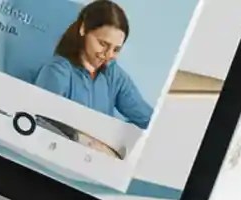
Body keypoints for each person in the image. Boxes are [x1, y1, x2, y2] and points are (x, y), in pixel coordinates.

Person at [33, 0, 153, 130]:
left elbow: (148, 120)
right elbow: (41, 121)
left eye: (116, 49)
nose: (108, 55)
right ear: (83, 29)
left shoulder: (115, 76)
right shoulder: (57, 71)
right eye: (103, 44)